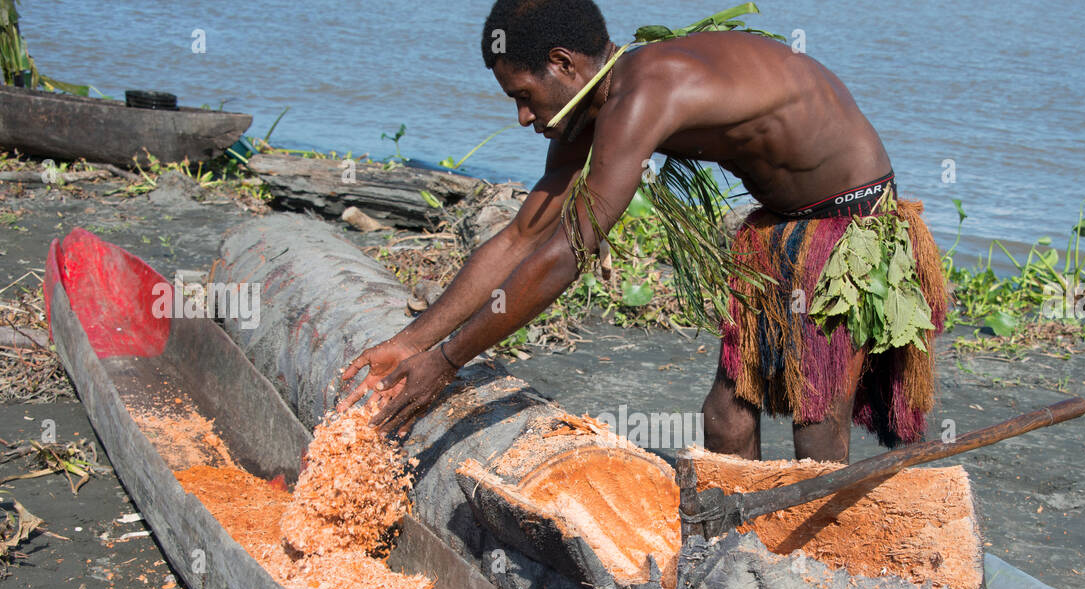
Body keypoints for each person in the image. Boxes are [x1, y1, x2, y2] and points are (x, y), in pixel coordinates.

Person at [341, 0, 946, 460]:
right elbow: (523, 237)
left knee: (816, 409)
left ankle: (817, 574)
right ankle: (740, 548)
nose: (523, 117)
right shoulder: (589, 107)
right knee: (725, 411)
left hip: (847, 222)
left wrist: (447, 362)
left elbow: (567, 253)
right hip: (779, 223)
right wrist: (412, 342)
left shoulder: (643, 92)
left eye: (524, 96)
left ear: (563, 64)